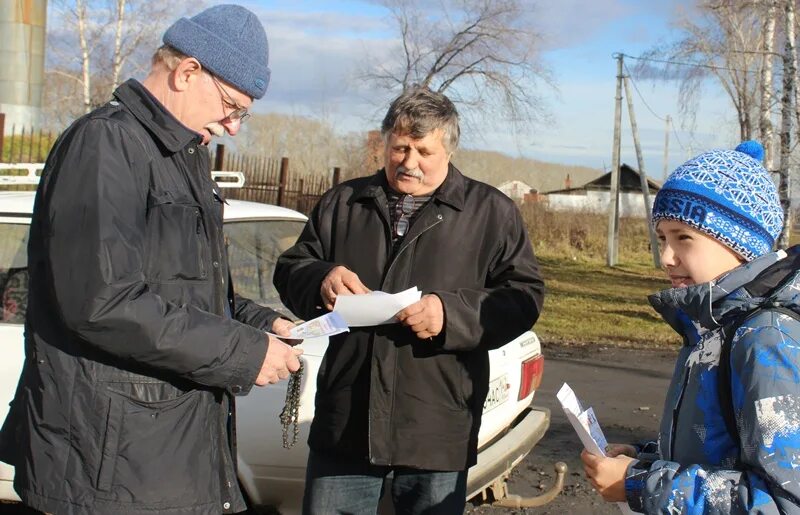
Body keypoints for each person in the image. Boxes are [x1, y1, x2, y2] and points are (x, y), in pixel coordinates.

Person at [0, 5, 303, 515]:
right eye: (233, 107)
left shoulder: (180, 156)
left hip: (162, 455)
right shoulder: (105, 145)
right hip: (108, 467)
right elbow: (102, 301)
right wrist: (244, 353)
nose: (233, 127)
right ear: (187, 72)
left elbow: (179, 289)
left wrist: (257, 320)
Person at [273, 86, 545, 514]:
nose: (409, 162)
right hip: (347, 419)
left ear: (449, 150)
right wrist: (322, 279)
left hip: (436, 421)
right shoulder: (344, 202)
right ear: (384, 142)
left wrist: (450, 314)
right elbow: (291, 267)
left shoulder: (491, 213)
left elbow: (524, 296)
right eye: (400, 147)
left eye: (423, 151)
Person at [581, 141, 800, 513]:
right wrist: (645, 462)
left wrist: (641, 485)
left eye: (684, 237)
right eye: (662, 237)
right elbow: (718, 446)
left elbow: (782, 502)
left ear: (741, 242)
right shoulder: (712, 325)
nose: (666, 257)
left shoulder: (765, 339)